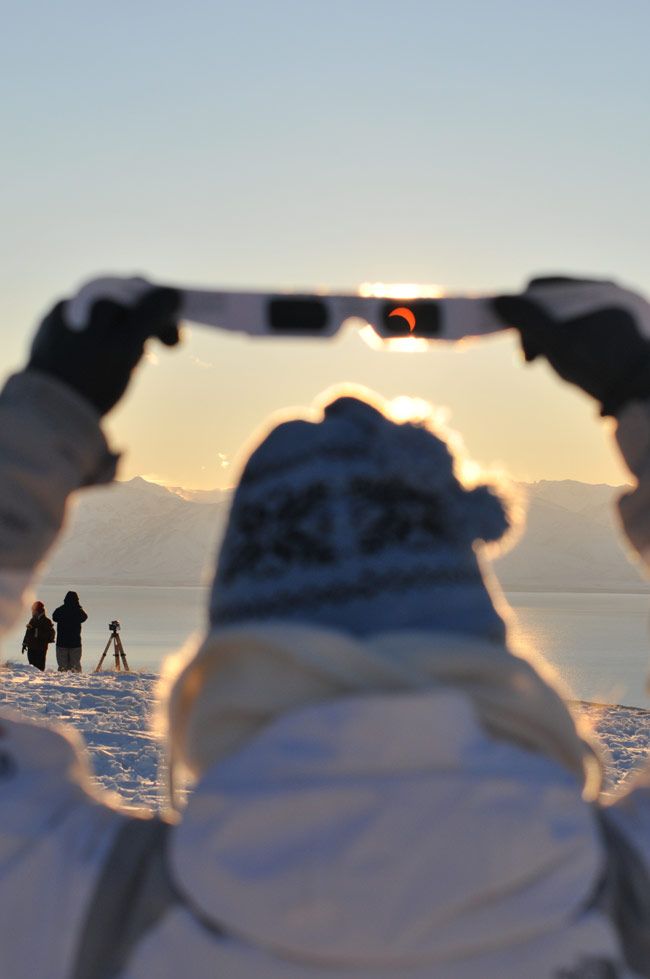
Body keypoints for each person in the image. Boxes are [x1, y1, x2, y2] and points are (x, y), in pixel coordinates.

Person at [0, 275, 650, 979]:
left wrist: (51, 407)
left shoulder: (76, 905)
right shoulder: (624, 903)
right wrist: (638, 388)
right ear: (478, 627)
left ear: (233, 646)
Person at [52, 590, 88, 672]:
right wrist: (78, 607)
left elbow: (54, 617)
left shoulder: (60, 610)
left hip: (62, 642)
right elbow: (84, 617)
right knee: (75, 666)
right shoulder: (78, 610)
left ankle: (62, 678)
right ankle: (76, 678)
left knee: (62, 666)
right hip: (75, 642)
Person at [21, 599, 55, 671]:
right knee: (31, 667)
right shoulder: (32, 620)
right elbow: (28, 632)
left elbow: (49, 635)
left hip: (41, 648)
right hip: (31, 647)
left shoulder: (46, 621)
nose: (32, 612)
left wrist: (36, 632)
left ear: (38, 611)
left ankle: (40, 678)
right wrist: (25, 643)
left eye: (33, 610)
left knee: (39, 668)